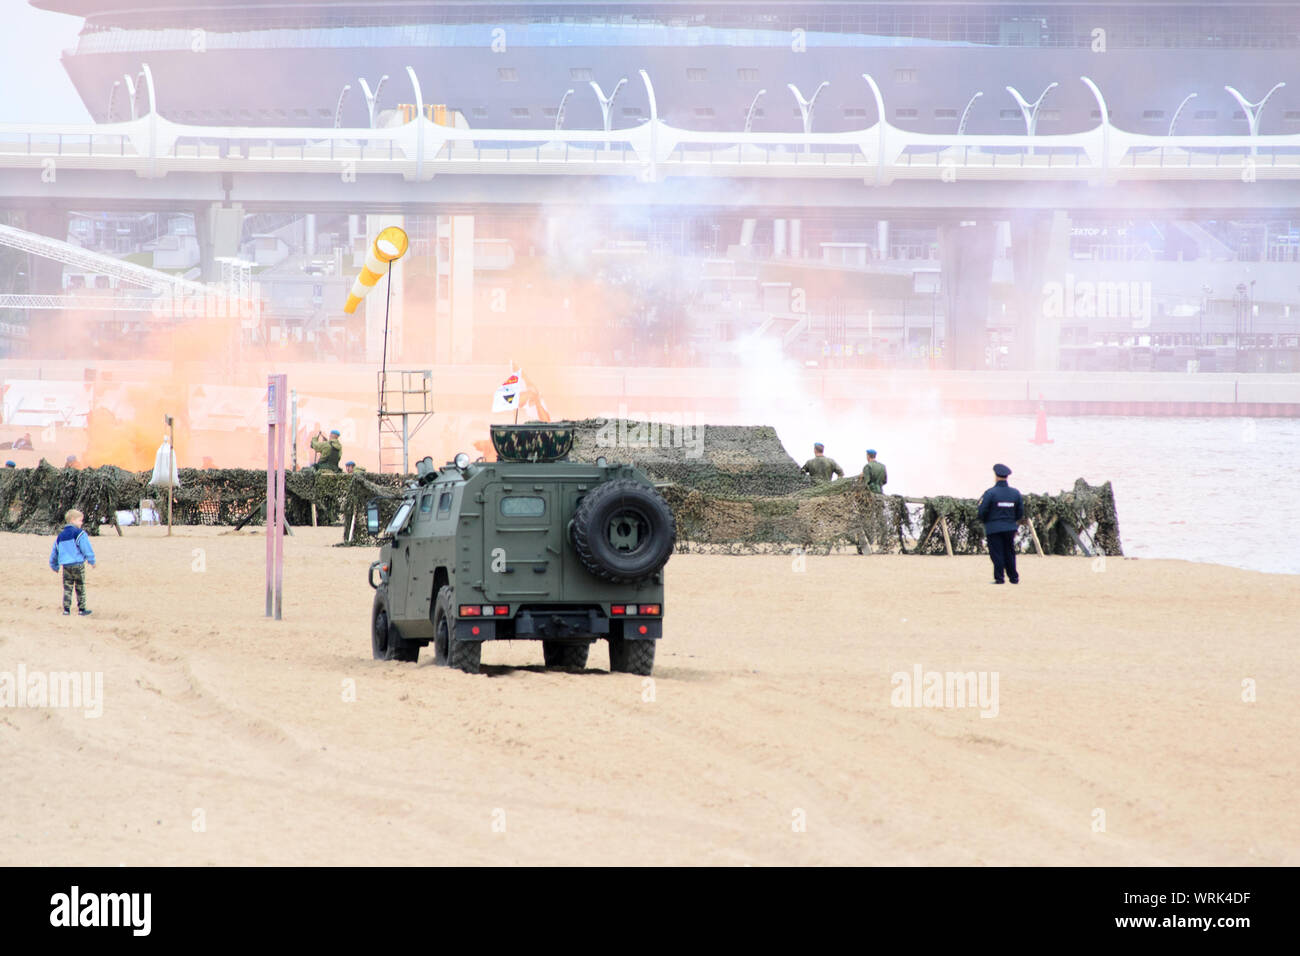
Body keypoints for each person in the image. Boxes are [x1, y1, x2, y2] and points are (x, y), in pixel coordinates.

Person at [977, 463, 1024, 585]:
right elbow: (1020, 512)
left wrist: (986, 521)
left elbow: (982, 510)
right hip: (1010, 527)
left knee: (996, 553)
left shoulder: (990, 493)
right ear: (1007, 477)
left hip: (994, 528)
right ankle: (1014, 578)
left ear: (996, 476)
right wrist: (1011, 521)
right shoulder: (1015, 493)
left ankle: (999, 578)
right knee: (1010, 552)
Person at [49, 508, 96, 616]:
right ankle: (82, 609)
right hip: (78, 565)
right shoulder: (79, 533)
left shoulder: (60, 536)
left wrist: (54, 565)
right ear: (72, 520)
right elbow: (86, 548)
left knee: (67, 587)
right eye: (80, 520)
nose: (82, 523)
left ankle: (66, 610)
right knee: (80, 586)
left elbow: (55, 552)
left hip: (66, 566)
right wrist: (91, 560)